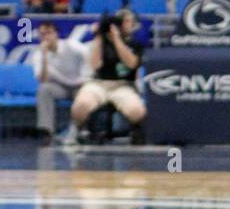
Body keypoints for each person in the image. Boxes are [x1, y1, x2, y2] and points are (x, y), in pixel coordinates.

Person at [69, 9, 147, 145]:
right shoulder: (101, 42)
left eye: (128, 21)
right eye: (123, 21)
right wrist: (99, 36)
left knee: (137, 112)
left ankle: (136, 130)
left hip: (123, 85)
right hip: (98, 83)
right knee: (80, 106)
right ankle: (79, 130)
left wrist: (117, 39)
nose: (126, 24)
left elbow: (131, 64)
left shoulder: (135, 44)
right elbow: (95, 65)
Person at [29, 21, 87, 143]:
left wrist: (87, 76)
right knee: (44, 89)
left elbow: (90, 55)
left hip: (80, 84)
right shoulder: (38, 54)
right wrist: (44, 56)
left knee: (84, 95)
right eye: (42, 34)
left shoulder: (71, 45)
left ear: (56, 34)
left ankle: (79, 130)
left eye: (49, 33)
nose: (46, 37)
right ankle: (46, 131)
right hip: (60, 87)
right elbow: (43, 79)